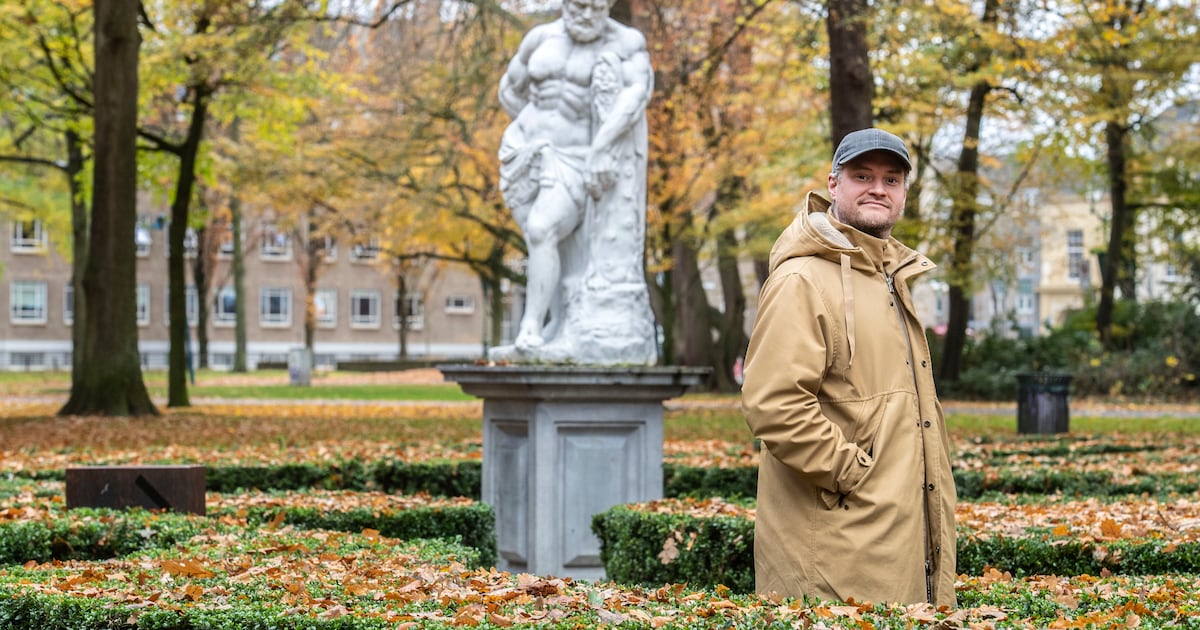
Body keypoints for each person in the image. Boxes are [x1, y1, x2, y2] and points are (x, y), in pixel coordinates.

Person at [741, 128, 957, 606]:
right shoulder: (802, 279)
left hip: (893, 539)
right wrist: (855, 475)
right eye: (863, 176)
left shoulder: (890, 278)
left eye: (891, 179)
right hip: (836, 548)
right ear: (833, 185)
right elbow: (774, 404)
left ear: (904, 193)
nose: (879, 188)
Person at [495, 0, 653, 355]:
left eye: (597, 8)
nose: (587, 15)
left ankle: (530, 328)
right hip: (525, 153)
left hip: (576, 158)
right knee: (546, 243)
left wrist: (602, 146)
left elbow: (635, 94)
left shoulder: (625, 42)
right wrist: (532, 127)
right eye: (580, 6)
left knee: (542, 230)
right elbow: (509, 88)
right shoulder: (540, 38)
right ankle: (558, 325)